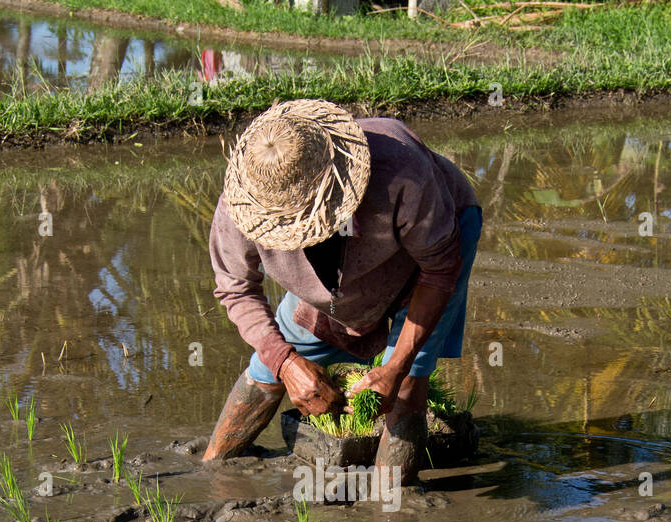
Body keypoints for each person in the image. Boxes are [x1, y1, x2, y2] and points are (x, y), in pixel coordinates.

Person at [203, 98, 481, 484]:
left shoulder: (402, 175)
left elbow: (438, 270)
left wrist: (396, 367)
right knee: (270, 362)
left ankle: (393, 506)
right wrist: (286, 363)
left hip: (429, 252)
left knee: (407, 382)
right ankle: (212, 471)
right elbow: (236, 289)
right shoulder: (245, 202)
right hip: (325, 280)